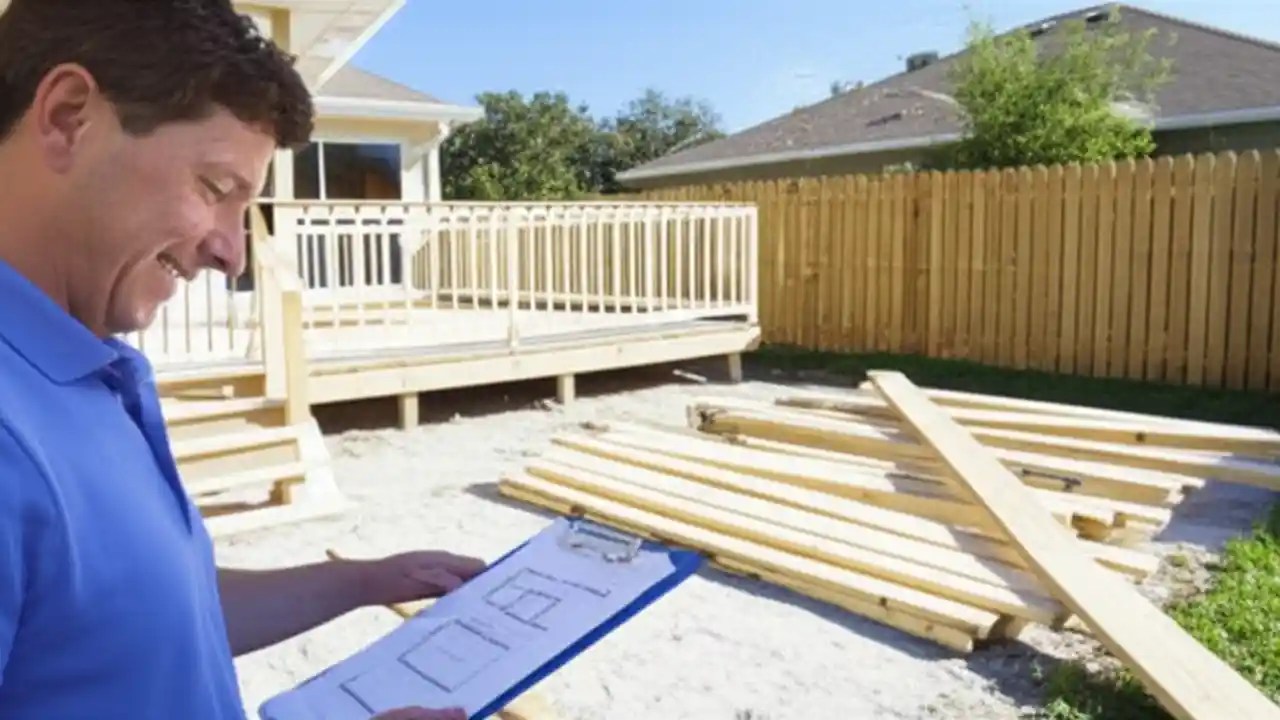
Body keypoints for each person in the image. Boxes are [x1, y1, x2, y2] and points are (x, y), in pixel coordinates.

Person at [0, 1, 486, 718]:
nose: (232, 252)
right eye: (216, 189)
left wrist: (361, 581)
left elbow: (147, 614)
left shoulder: (86, 370)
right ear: (70, 116)